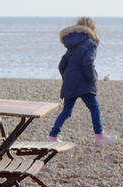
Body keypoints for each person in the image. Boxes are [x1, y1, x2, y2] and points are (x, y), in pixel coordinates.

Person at [48, 17, 117, 145]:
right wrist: (91, 79)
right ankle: (100, 136)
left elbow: (62, 65)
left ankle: (53, 135)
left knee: (67, 111)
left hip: (70, 82)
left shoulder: (71, 45)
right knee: (94, 108)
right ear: (92, 29)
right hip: (84, 82)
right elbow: (87, 62)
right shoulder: (90, 43)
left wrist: (68, 77)